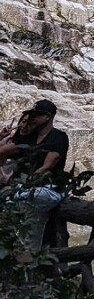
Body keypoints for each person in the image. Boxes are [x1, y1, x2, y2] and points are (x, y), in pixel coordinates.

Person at [0, 98, 69, 253]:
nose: (32, 118)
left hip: (48, 188)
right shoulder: (29, 138)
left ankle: (29, 255)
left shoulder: (58, 137)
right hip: (25, 188)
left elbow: (48, 166)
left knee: (27, 206)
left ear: (47, 117)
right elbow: (5, 151)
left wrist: (25, 184)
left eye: (36, 115)